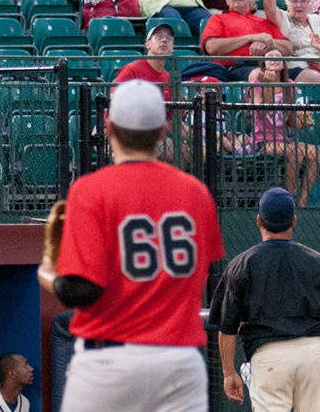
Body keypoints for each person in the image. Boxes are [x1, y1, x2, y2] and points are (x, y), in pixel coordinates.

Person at [36, 79, 225, 412]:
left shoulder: (91, 190)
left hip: (109, 361)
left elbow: (83, 291)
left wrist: (48, 275)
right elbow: (202, 265)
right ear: (164, 130)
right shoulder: (196, 193)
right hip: (180, 363)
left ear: (107, 126)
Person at [208, 187, 320, 411]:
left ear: (259, 220)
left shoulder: (241, 265)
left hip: (269, 357)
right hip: (313, 354)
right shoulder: (317, 261)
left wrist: (229, 373)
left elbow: (227, 327)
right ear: (294, 222)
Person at [247, 49, 320, 207]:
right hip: (262, 141)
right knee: (296, 152)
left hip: (284, 140)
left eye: (278, 57)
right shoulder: (256, 84)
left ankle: (302, 203)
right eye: (270, 57)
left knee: (316, 152)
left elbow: (288, 120)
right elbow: (260, 112)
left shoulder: (290, 85)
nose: (274, 59)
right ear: (264, 63)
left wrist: (302, 122)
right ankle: (288, 200)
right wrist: (268, 87)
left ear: (283, 64)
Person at [193, 0, 292, 82]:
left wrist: (267, 43)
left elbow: (288, 48)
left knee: (309, 76)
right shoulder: (218, 19)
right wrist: (251, 38)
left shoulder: (264, 21)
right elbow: (211, 47)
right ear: (226, 0)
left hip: (272, 66)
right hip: (234, 69)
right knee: (260, 75)